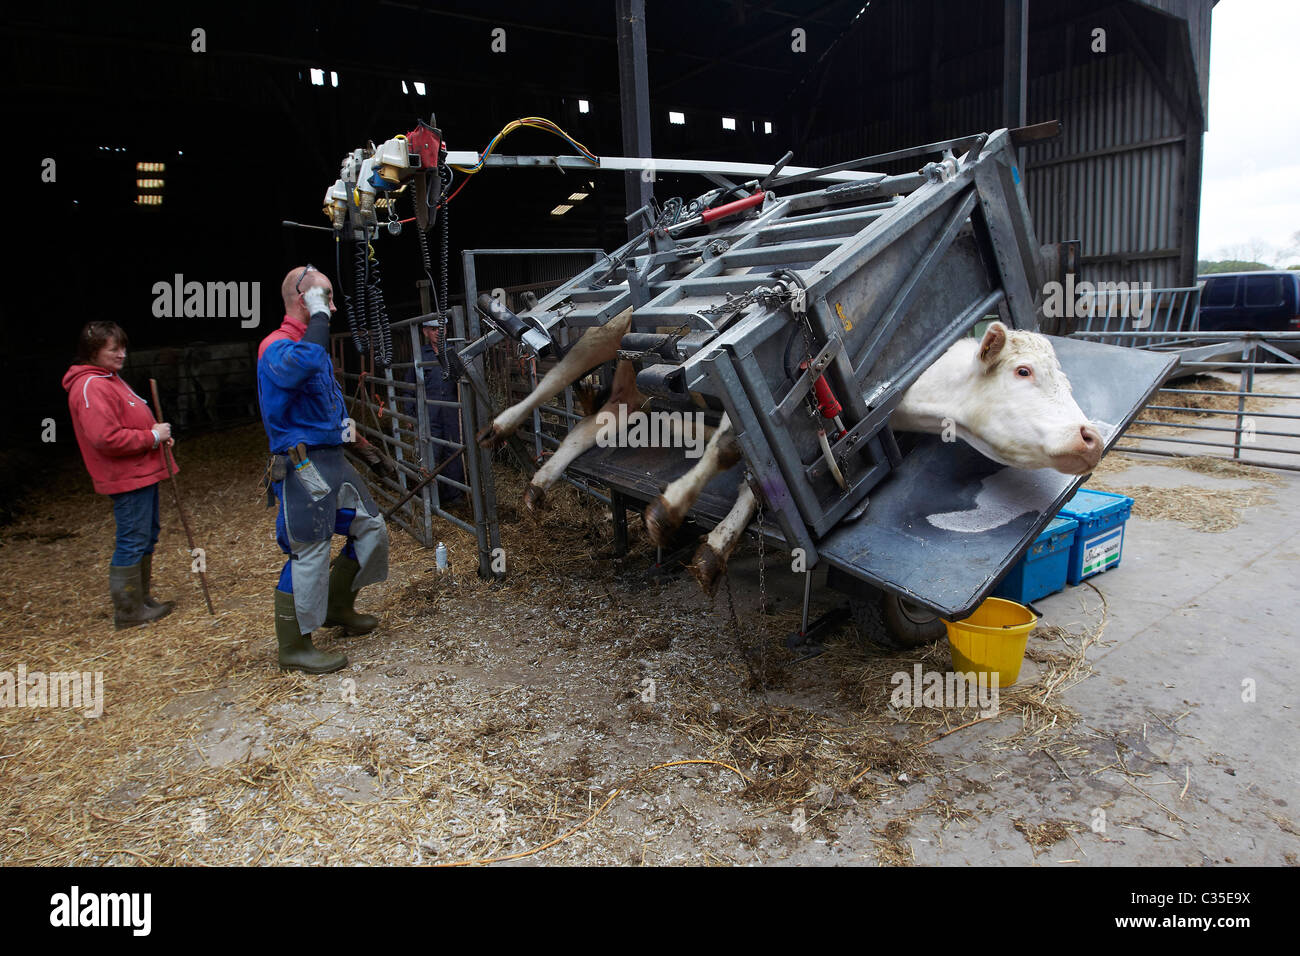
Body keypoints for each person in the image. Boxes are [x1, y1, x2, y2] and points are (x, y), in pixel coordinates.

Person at [257, 265, 389, 675]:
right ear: (305, 300)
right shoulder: (276, 348)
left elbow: (331, 408)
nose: (333, 306)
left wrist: (365, 448)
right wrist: (318, 316)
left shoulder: (312, 348)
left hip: (334, 459)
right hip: (302, 464)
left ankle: (336, 607)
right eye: (325, 297)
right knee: (309, 548)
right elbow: (300, 368)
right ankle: (295, 645)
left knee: (372, 529)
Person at [63, 321, 177, 628]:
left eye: (123, 347)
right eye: (114, 349)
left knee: (145, 536)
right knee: (132, 539)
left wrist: (156, 435)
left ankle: (141, 600)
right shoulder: (91, 386)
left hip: (140, 471)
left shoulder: (108, 379)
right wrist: (151, 437)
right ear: (93, 351)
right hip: (126, 475)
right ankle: (129, 611)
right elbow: (105, 437)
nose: (122, 354)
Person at [405, 319, 465, 507]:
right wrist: (409, 413)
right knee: (430, 453)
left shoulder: (454, 352)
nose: (438, 332)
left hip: (452, 411)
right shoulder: (420, 355)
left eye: (442, 328)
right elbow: (409, 386)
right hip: (429, 413)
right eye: (433, 329)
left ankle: (454, 496)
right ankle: (430, 498)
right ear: (425, 332)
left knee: (453, 451)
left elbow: (465, 381)